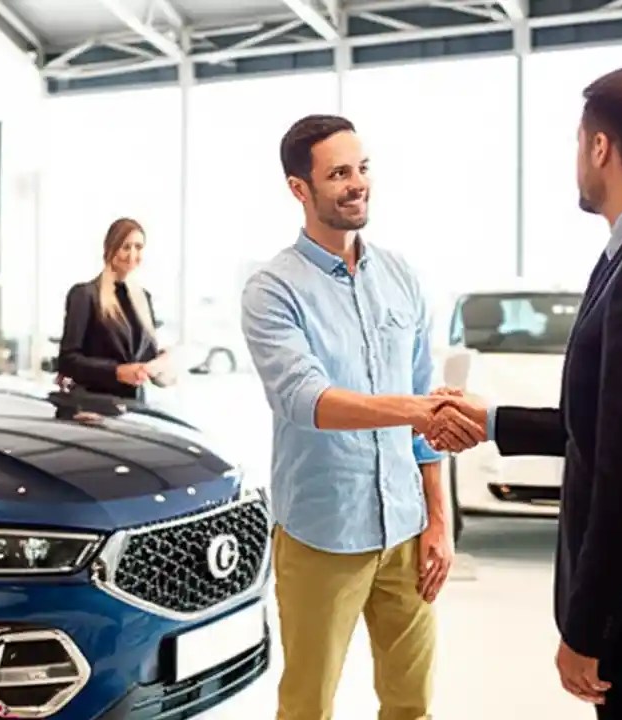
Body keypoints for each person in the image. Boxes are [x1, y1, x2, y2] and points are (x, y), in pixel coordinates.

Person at [430, 67, 622, 720]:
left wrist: (590, 628)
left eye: (580, 143)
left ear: (601, 147)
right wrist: (492, 421)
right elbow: (616, 425)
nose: (578, 158)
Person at [240, 114, 481, 720]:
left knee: (412, 704)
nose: (358, 184)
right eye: (339, 173)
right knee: (308, 706)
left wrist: (439, 520)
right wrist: (417, 411)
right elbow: (305, 398)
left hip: (404, 527)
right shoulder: (273, 289)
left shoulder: (400, 277)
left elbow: (422, 404)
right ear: (300, 188)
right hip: (323, 533)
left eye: (363, 168)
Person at [56, 217, 168, 400]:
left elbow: (145, 357)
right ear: (110, 249)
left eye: (138, 247)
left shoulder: (143, 299)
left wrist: (160, 363)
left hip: (133, 406)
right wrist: (117, 372)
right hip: (93, 405)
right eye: (126, 247)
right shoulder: (85, 295)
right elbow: (68, 361)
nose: (132, 255)